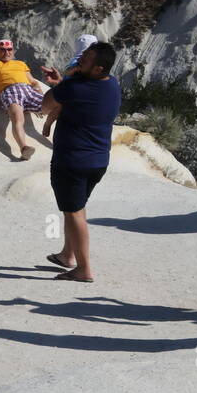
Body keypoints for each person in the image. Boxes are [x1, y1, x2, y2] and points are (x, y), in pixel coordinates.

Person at [39, 42, 121, 282]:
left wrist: (64, 82)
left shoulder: (74, 86)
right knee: (75, 207)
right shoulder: (112, 84)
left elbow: (45, 106)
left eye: (86, 59)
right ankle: (67, 255)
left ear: (98, 68)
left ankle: (83, 269)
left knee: (74, 212)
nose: (80, 60)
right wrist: (65, 83)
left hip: (72, 160)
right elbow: (77, 98)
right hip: (98, 160)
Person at [0, 39, 46, 160]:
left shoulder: (20, 63)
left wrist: (42, 98)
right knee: (17, 117)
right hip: (10, 91)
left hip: (29, 90)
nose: (6, 52)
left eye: (9, 49)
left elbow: (33, 82)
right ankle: (24, 148)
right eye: (2, 50)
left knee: (56, 106)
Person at [40, 34, 98, 138]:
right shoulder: (77, 61)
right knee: (57, 111)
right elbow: (67, 72)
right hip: (67, 93)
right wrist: (76, 68)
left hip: (78, 95)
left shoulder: (92, 64)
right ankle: (47, 124)